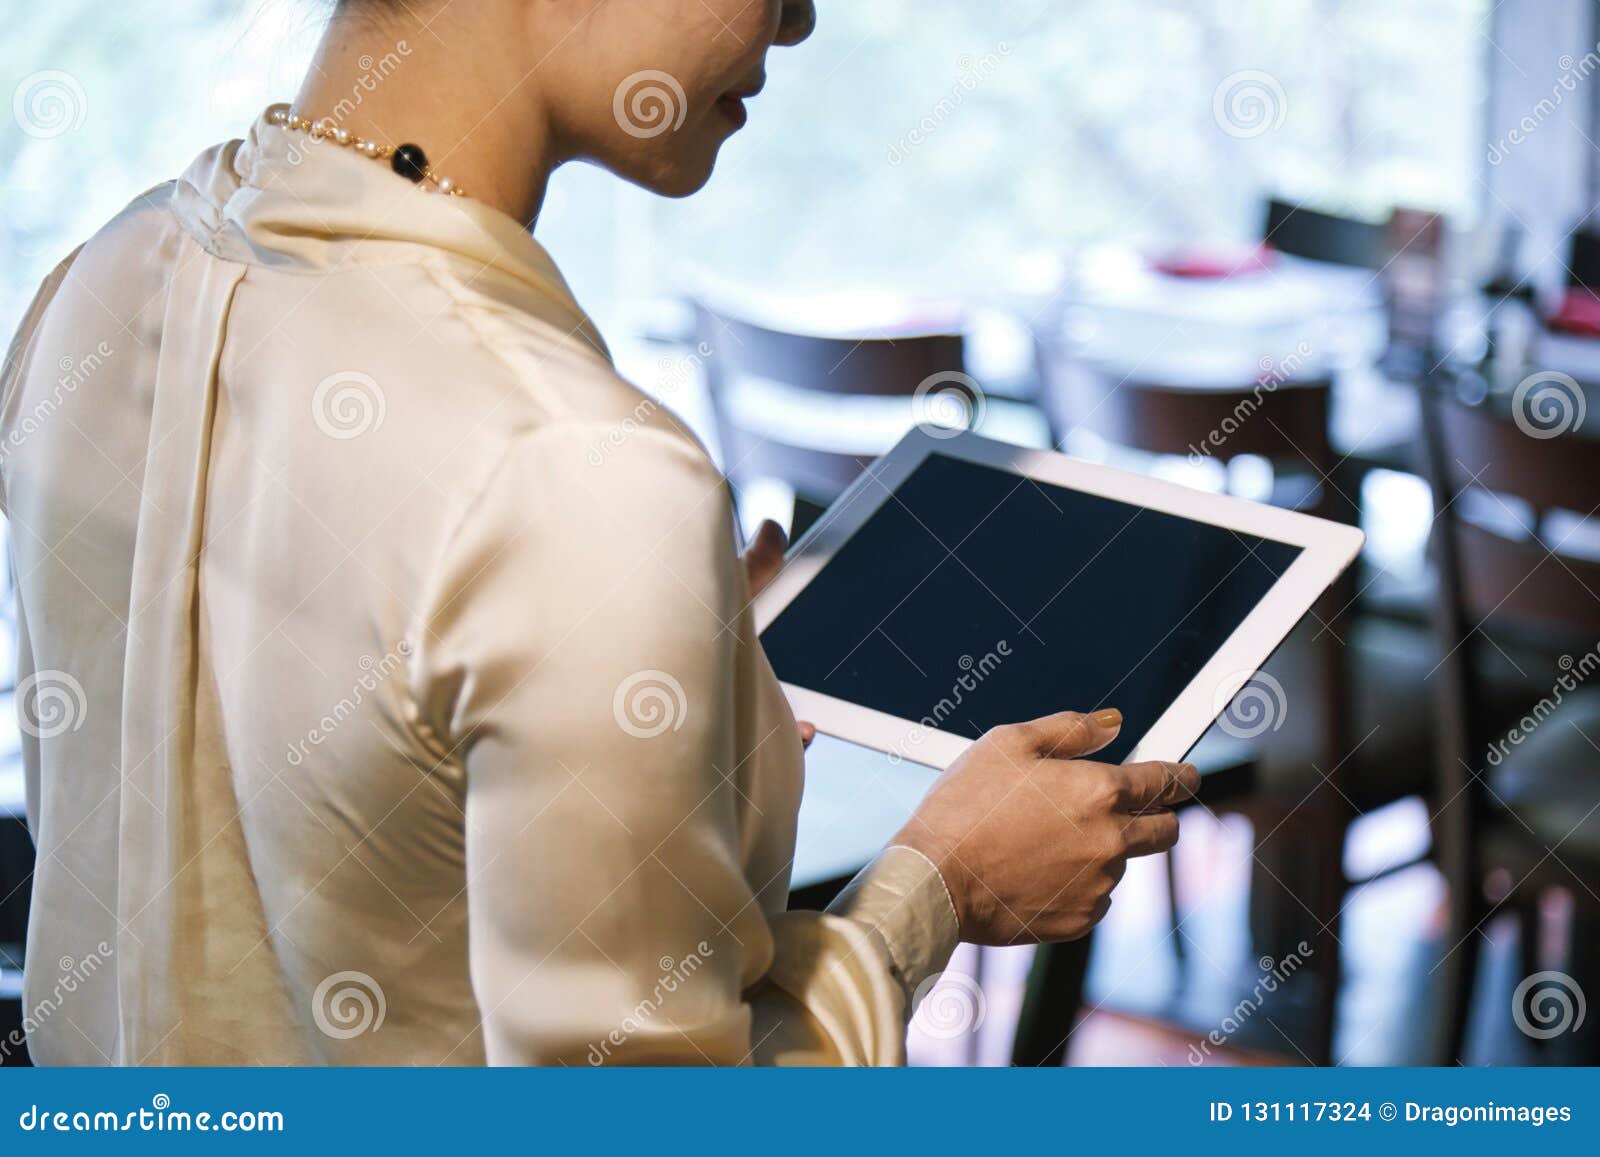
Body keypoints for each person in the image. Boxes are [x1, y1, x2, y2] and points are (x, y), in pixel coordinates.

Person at [0, 0, 1196, 1065]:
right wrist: (939, 886)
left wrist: (625, 672)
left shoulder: (99, 280)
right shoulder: (573, 465)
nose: (796, 21)